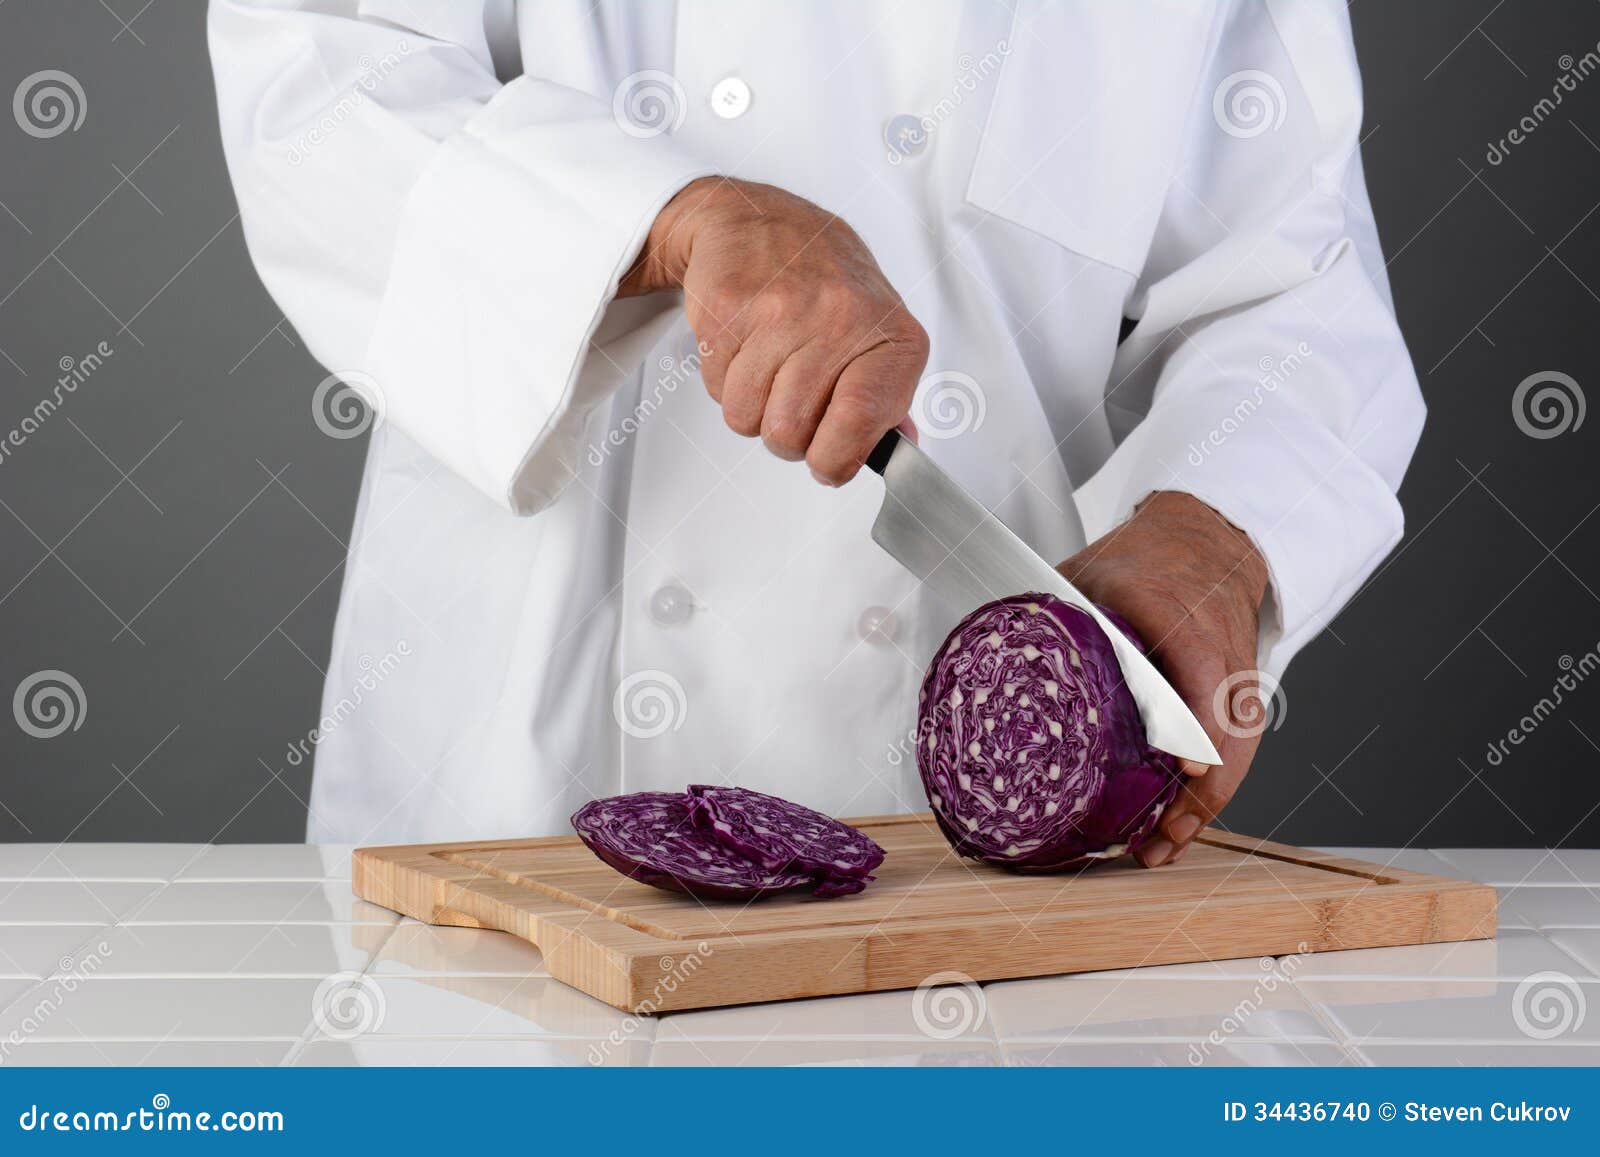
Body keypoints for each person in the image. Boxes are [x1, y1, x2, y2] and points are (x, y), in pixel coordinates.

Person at [208, 0, 1422, 866]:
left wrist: (1210, 537)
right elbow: (316, 86)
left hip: (998, 858)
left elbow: (1293, 284)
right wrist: (667, 222)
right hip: (511, 813)